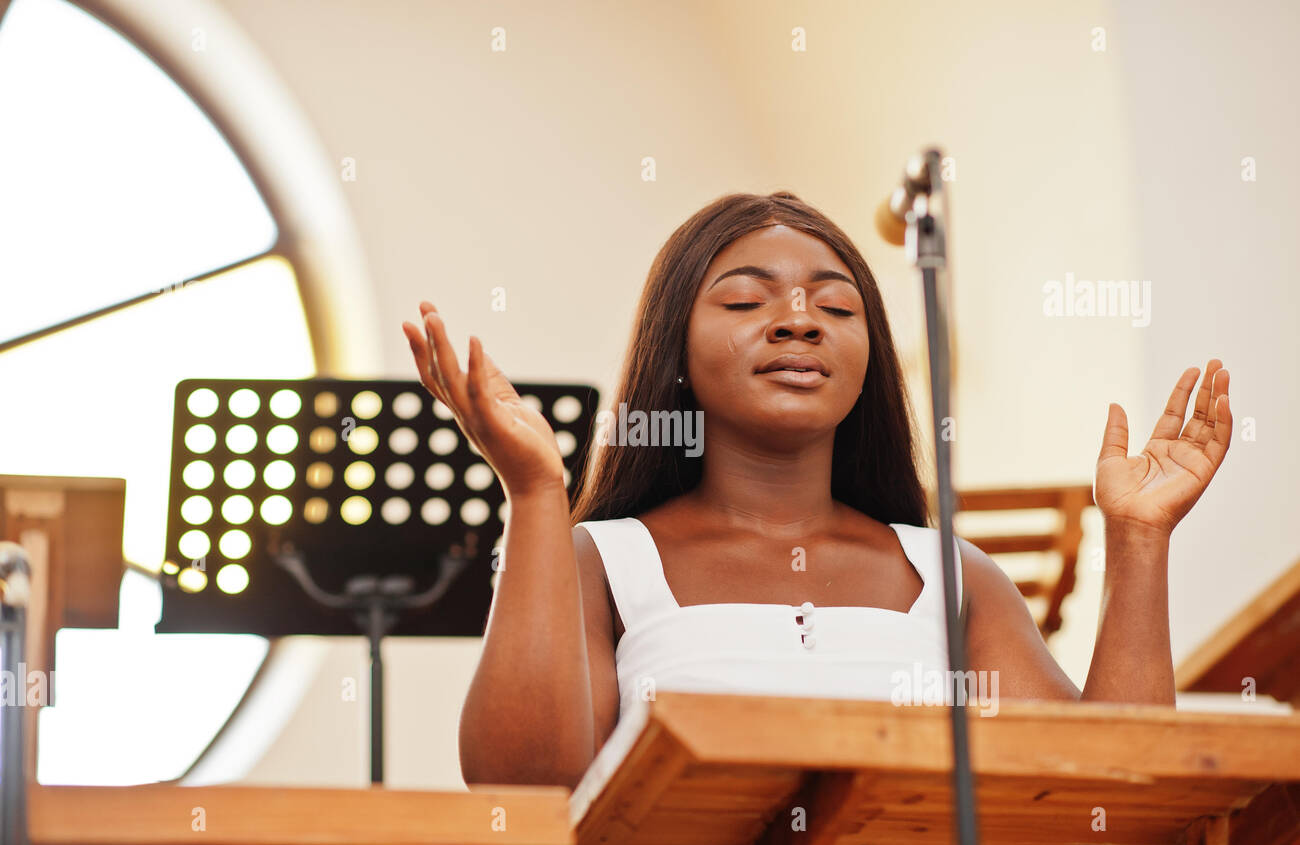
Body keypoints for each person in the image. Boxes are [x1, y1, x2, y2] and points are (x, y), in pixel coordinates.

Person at [401, 191, 1232, 789]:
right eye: (745, 299)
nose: (799, 320)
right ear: (676, 353)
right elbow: (522, 785)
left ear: (866, 362)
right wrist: (539, 492)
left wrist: (1138, 538)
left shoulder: (950, 577)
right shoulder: (606, 561)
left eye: (835, 306)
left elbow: (1111, 791)